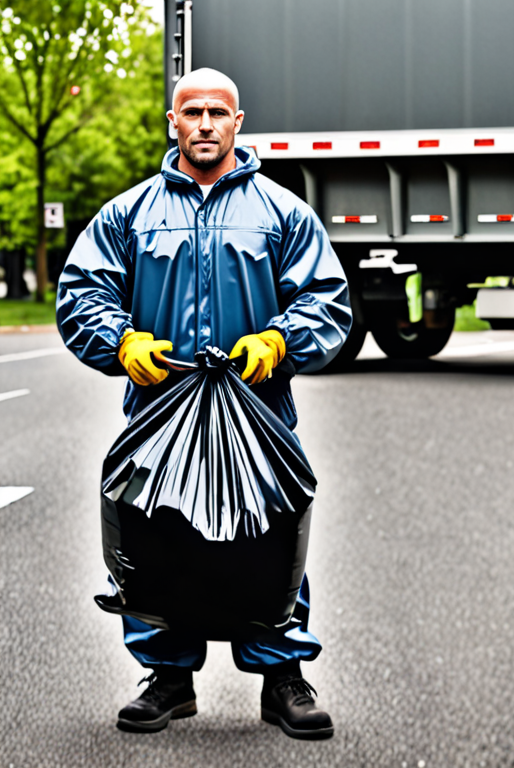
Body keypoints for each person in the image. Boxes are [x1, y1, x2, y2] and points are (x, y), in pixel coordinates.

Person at [57, 68, 352, 740]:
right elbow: (81, 294)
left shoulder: (282, 213)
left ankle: (282, 678)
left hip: (259, 415)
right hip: (159, 415)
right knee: (159, 540)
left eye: (219, 112)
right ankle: (168, 678)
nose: (206, 124)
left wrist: (280, 339)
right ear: (173, 122)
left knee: (268, 538)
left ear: (239, 123)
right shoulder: (128, 216)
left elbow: (327, 303)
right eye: (193, 113)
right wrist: (120, 340)